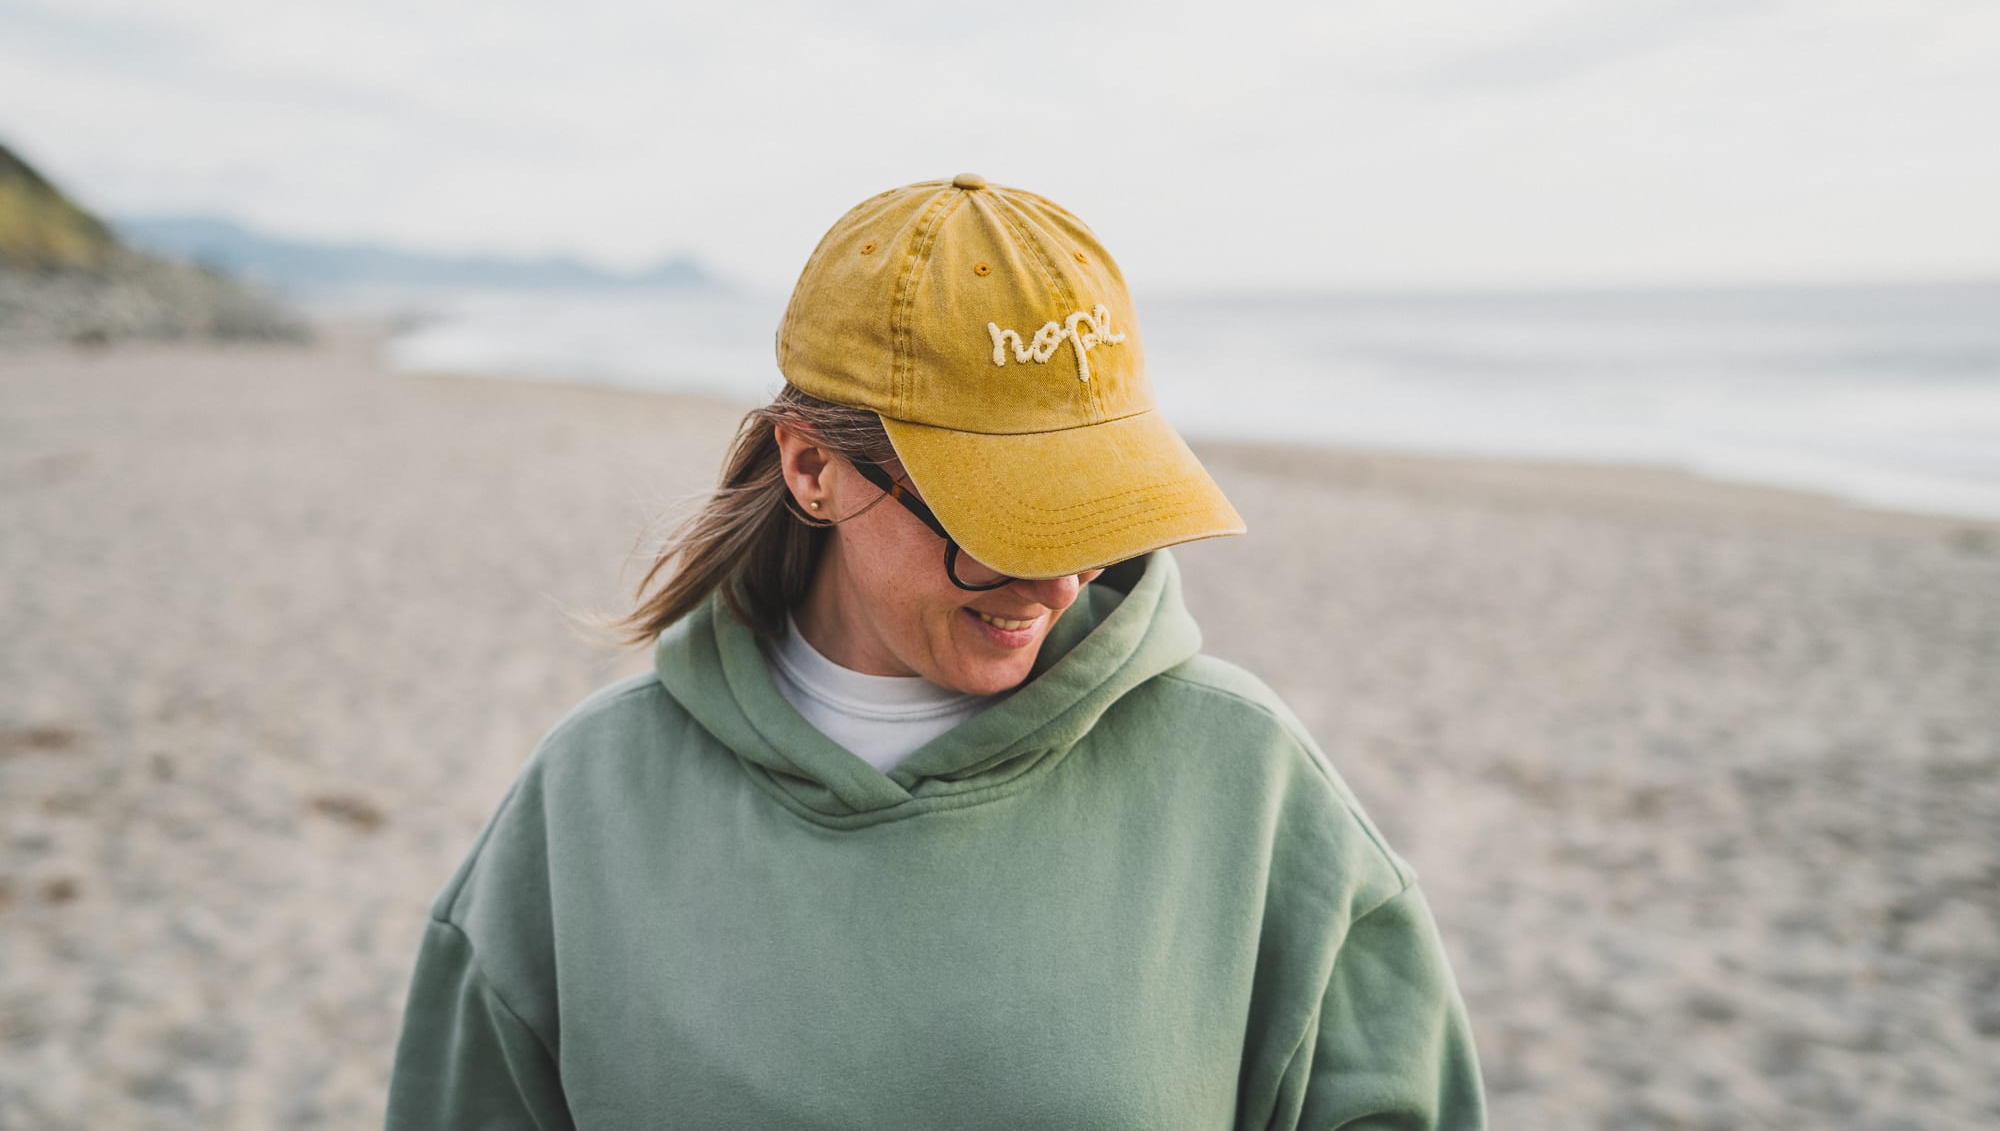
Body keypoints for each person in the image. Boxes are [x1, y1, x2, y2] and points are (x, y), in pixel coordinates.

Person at [384, 173, 1487, 1129]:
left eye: (1093, 516)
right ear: (812, 467)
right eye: (998, 525)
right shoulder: (588, 801)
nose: (1055, 581)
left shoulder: (1250, 784)